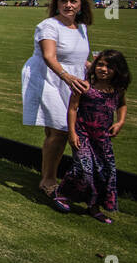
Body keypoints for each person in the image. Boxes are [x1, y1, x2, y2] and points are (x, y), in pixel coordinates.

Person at [21, 0, 92, 196]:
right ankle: (48, 180)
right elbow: (49, 56)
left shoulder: (81, 28)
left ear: (81, 6)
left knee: (55, 130)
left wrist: (97, 66)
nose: (68, 5)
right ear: (57, 4)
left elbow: (79, 58)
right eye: (64, 1)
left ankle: (52, 172)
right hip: (47, 78)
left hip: (71, 81)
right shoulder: (48, 26)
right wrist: (66, 76)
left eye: (73, 2)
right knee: (61, 128)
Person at [52, 49, 129, 222]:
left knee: (104, 171)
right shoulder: (85, 86)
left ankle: (94, 206)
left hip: (102, 137)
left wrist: (120, 122)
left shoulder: (117, 90)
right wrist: (72, 133)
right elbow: (72, 109)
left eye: (109, 66)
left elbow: (122, 105)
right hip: (82, 133)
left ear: (118, 69)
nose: (103, 69)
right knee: (83, 168)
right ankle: (63, 194)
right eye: (100, 64)